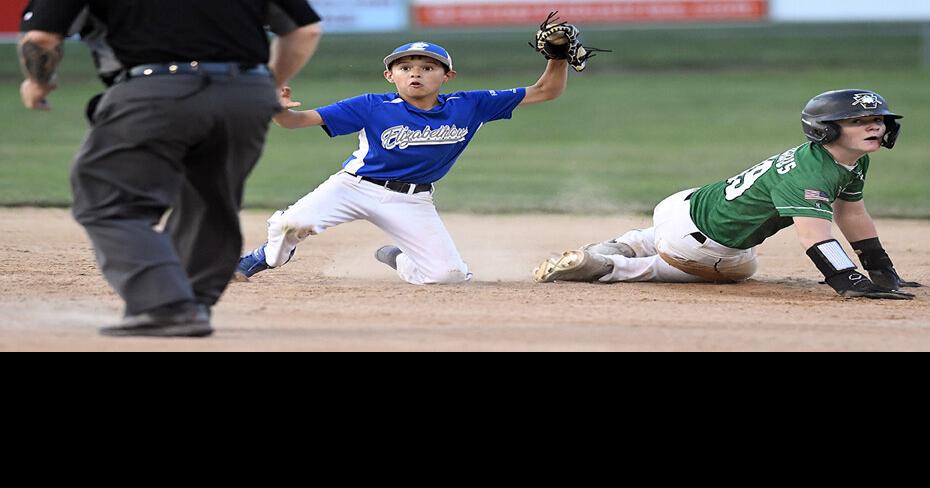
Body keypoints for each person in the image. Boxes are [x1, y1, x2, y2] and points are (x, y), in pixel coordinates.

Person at [18, 0, 323, 337]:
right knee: (210, 201)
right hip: (245, 95)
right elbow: (305, 30)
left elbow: (42, 39)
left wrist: (37, 82)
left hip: (154, 89)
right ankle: (191, 302)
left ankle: (165, 306)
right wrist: (267, 85)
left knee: (108, 200)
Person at [235, 38, 573, 285]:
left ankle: (398, 258)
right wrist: (278, 107)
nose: (416, 74)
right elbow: (295, 122)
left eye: (428, 68)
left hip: (412, 200)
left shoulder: (470, 105)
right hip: (352, 187)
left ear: (447, 76)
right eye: (405, 67)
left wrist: (557, 58)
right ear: (390, 76)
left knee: (449, 277)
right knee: (288, 225)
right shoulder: (371, 105)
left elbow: (546, 91)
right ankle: (259, 259)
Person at [534, 89, 922, 300]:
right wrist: (847, 279)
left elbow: (851, 213)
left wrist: (881, 269)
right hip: (702, 244)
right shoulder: (812, 172)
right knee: (740, 269)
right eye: (858, 121)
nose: (874, 127)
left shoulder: (849, 158)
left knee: (676, 240)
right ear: (826, 130)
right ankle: (612, 267)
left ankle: (627, 243)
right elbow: (813, 235)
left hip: (685, 205)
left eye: (877, 120)